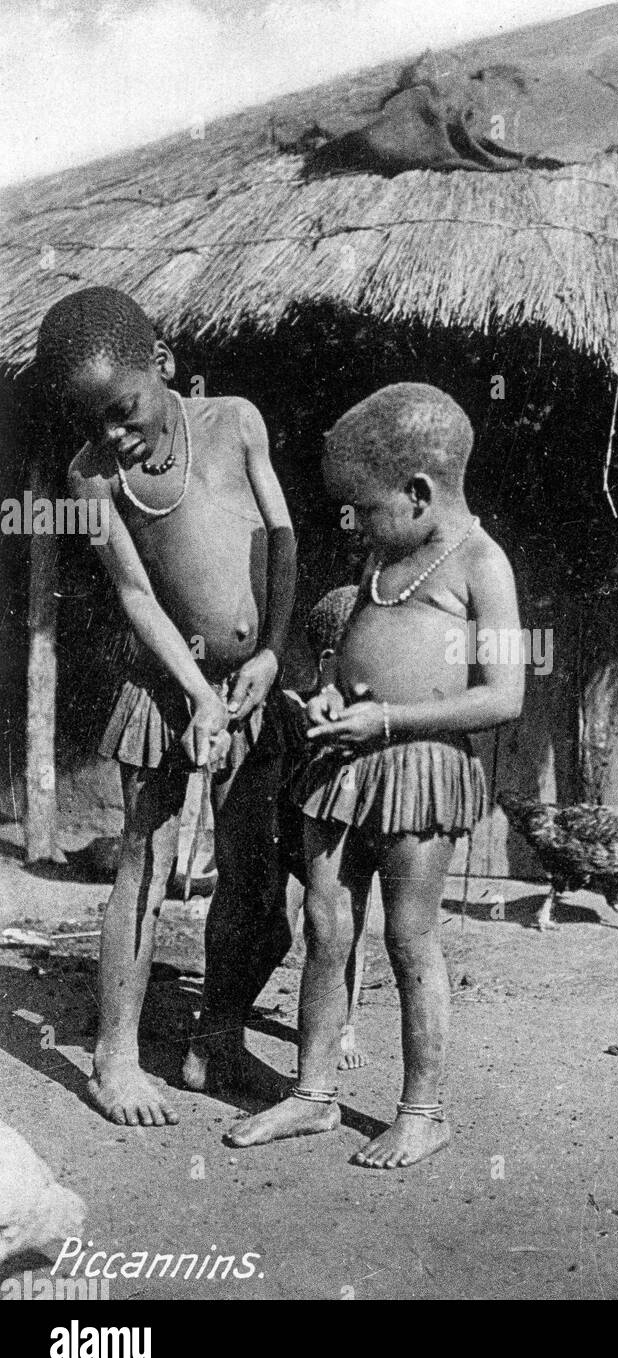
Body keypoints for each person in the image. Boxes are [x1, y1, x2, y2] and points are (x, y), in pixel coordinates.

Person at [227, 383, 523, 1166]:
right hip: (344, 761)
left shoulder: (482, 566)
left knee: (409, 938)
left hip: (417, 771)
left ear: (419, 493)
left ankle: (422, 1112)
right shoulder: (382, 557)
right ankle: (314, 1095)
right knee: (326, 926)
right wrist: (334, 698)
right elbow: (366, 650)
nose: (352, 521)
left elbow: (504, 695)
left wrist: (389, 721)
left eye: (363, 506)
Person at [36, 286, 297, 1126]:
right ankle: (115, 1057)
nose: (113, 434)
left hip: (251, 685)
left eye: (123, 409)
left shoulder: (236, 424)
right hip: (162, 684)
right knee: (142, 868)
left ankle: (214, 1040)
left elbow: (282, 538)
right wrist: (194, 693)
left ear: (166, 367)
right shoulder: (89, 477)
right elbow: (137, 595)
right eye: (92, 422)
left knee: (252, 874)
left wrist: (267, 655)